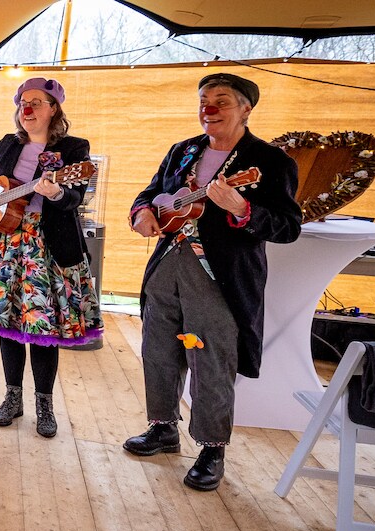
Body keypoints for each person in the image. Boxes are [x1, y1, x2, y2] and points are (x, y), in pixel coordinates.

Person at [124, 73, 301, 491]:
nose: (210, 107)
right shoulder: (183, 150)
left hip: (220, 275)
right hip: (167, 263)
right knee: (158, 349)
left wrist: (242, 207)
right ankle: (163, 427)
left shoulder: (271, 162)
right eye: (204, 99)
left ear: (246, 109)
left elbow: (288, 226)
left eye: (221, 100)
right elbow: (149, 194)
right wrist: (142, 214)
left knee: (213, 361)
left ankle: (211, 448)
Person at [0, 77, 102, 439]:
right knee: (8, 324)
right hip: (5, 243)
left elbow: (75, 197)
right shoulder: (9, 145)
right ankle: (12, 397)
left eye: (37, 101)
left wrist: (54, 193)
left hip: (47, 248)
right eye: (23, 101)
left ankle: (44, 404)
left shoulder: (73, 149)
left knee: (42, 330)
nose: (28, 108)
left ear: (54, 108)